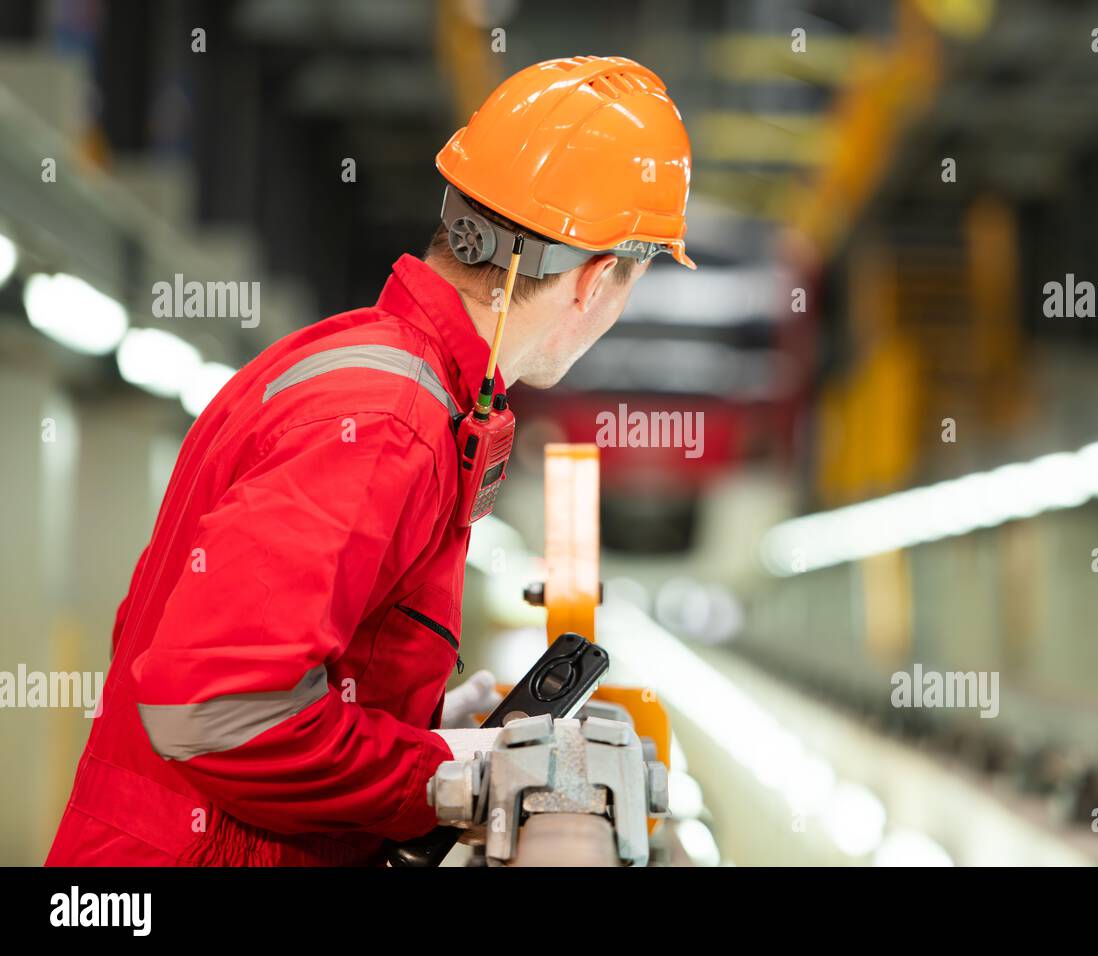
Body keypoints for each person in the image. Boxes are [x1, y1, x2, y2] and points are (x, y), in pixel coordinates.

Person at [45, 55, 693, 866]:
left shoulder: (362, 367)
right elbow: (207, 706)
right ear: (597, 282)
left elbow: (249, 651)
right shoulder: (388, 421)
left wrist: (430, 727)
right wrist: (448, 776)